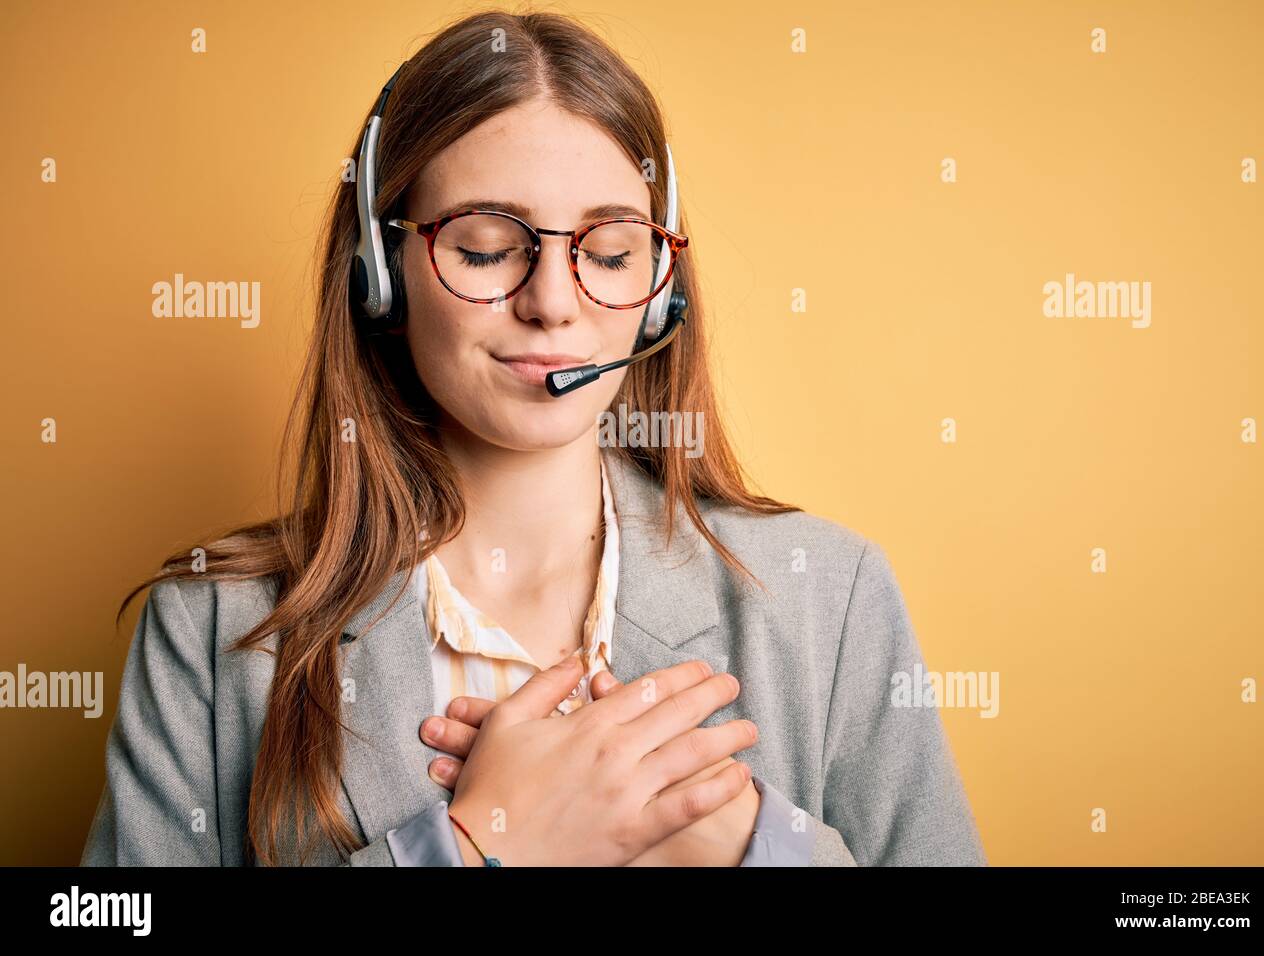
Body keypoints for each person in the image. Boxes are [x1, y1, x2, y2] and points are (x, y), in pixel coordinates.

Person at [81, 9, 986, 867]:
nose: (554, 302)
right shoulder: (213, 630)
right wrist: (471, 848)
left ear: (661, 291)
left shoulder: (832, 598)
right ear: (379, 277)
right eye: (484, 249)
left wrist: (744, 843)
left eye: (609, 253)